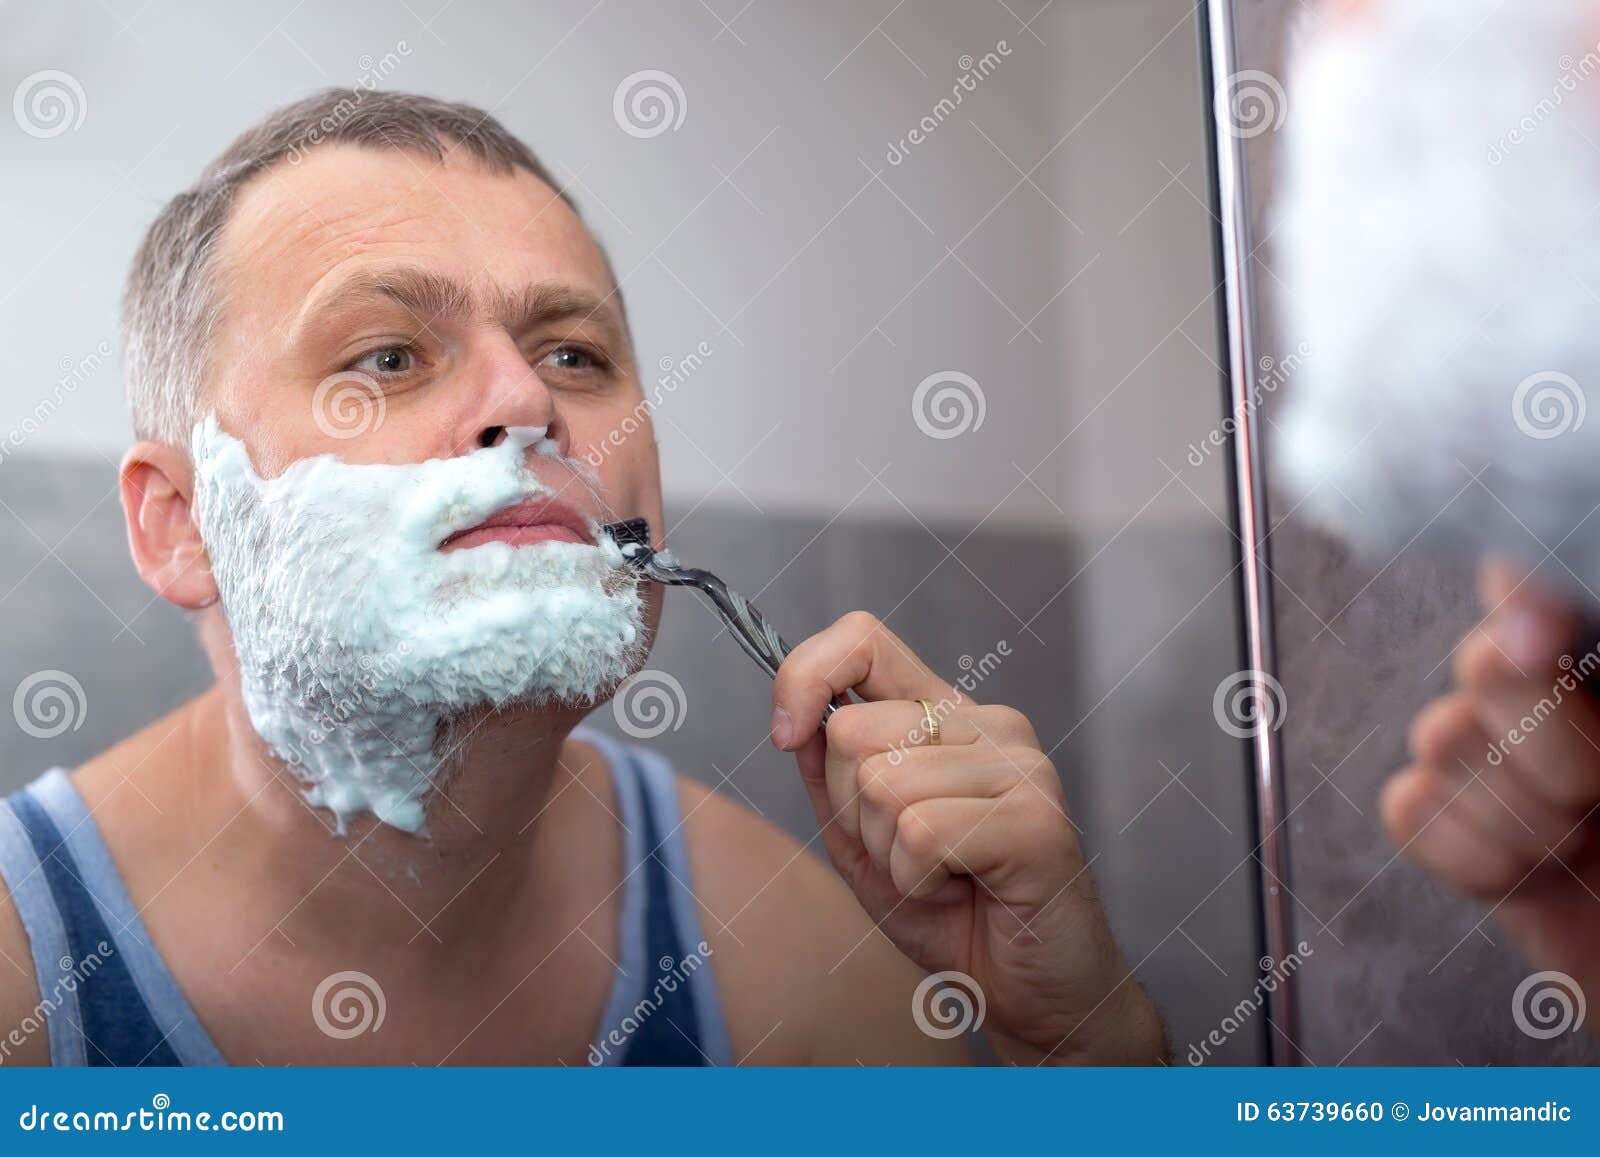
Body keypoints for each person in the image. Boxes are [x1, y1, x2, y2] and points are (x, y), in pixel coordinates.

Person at [0, 89, 1162, 1067]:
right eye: (389, 355)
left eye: (573, 352)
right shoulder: (25, 975)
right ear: (181, 525)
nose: (527, 399)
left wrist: (1082, 1034)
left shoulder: (783, 957)